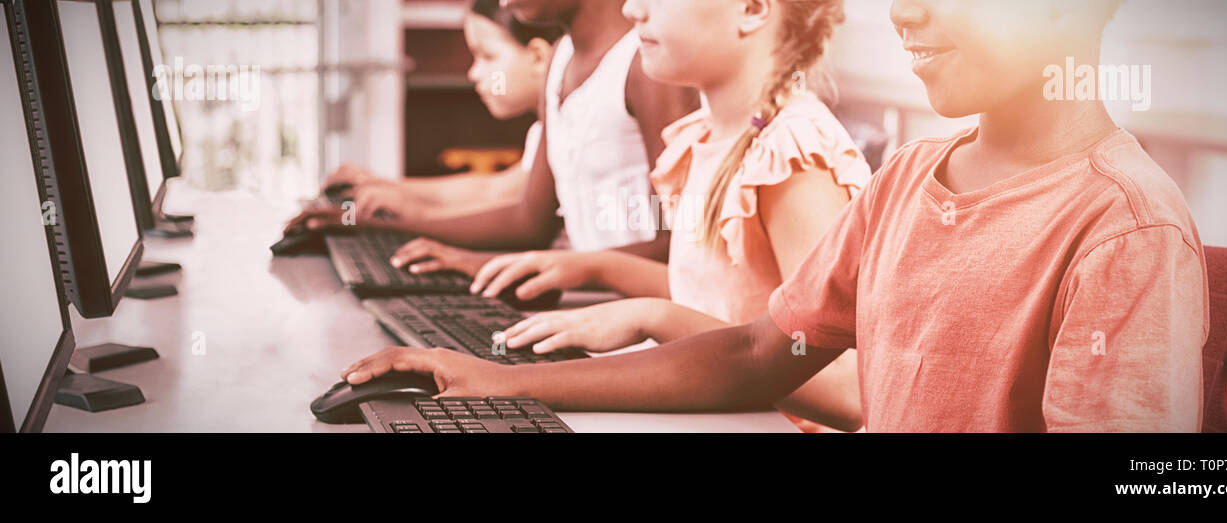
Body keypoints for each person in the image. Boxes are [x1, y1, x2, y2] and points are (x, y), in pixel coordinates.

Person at [341, 0, 1208, 433]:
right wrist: (496, 379)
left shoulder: (1126, 232)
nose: (905, 10)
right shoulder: (907, 176)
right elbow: (761, 351)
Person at [463, 0, 868, 432]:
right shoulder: (706, 138)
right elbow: (719, 298)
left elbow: (844, 389)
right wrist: (596, 268)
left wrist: (654, 317)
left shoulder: (793, 156)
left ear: (751, 9)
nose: (633, 9)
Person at [287, 0, 700, 275]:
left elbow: (681, 242)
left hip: (637, 327)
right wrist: (366, 224)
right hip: (588, 308)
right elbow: (527, 221)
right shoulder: (561, 60)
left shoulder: (643, 65)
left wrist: (498, 262)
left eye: (487, 57)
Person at [320, 0, 563, 222]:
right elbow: (491, 189)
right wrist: (383, 185)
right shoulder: (541, 131)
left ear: (538, 58)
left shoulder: (563, 129)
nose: (473, 73)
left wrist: (413, 211)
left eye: (487, 56)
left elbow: (499, 198)